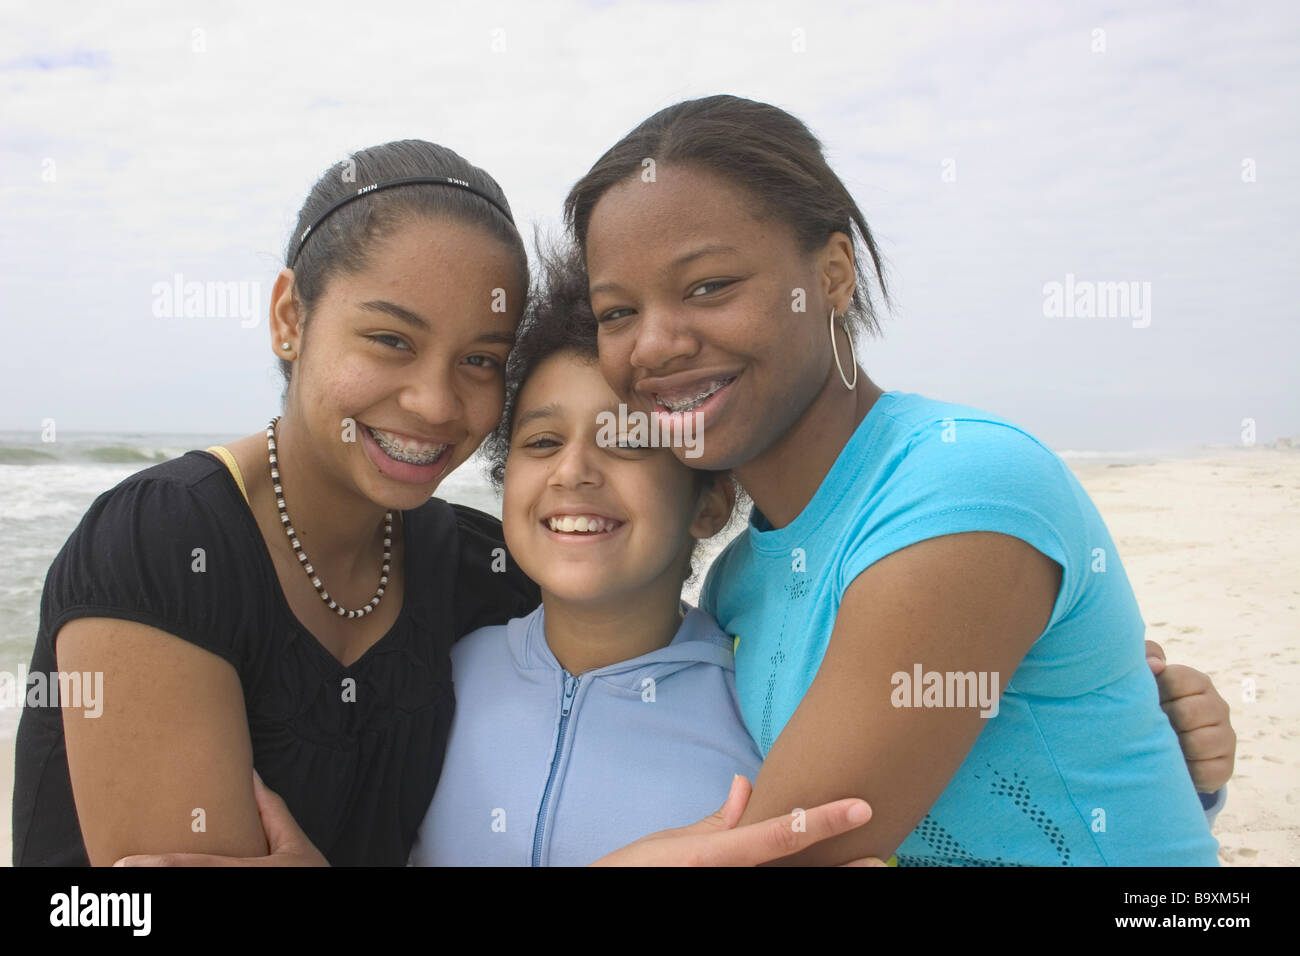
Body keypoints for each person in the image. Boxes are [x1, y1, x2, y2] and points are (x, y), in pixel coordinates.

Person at [15, 139, 873, 868]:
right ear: (290, 317)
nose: (433, 403)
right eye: (391, 339)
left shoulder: (481, 571)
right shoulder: (166, 542)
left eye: (479, 359)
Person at [562, 94, 1233, 865]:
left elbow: (783, 852)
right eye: (617, 313)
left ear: (835, 275)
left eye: (708, 287)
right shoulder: (740, 582)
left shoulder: (962, 485)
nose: (655, 345)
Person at [409, 244, 764, 865]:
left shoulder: (764, 714)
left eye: (626, 440)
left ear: (709, 502)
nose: (572, 471)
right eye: (542, 441)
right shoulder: (436, 675)